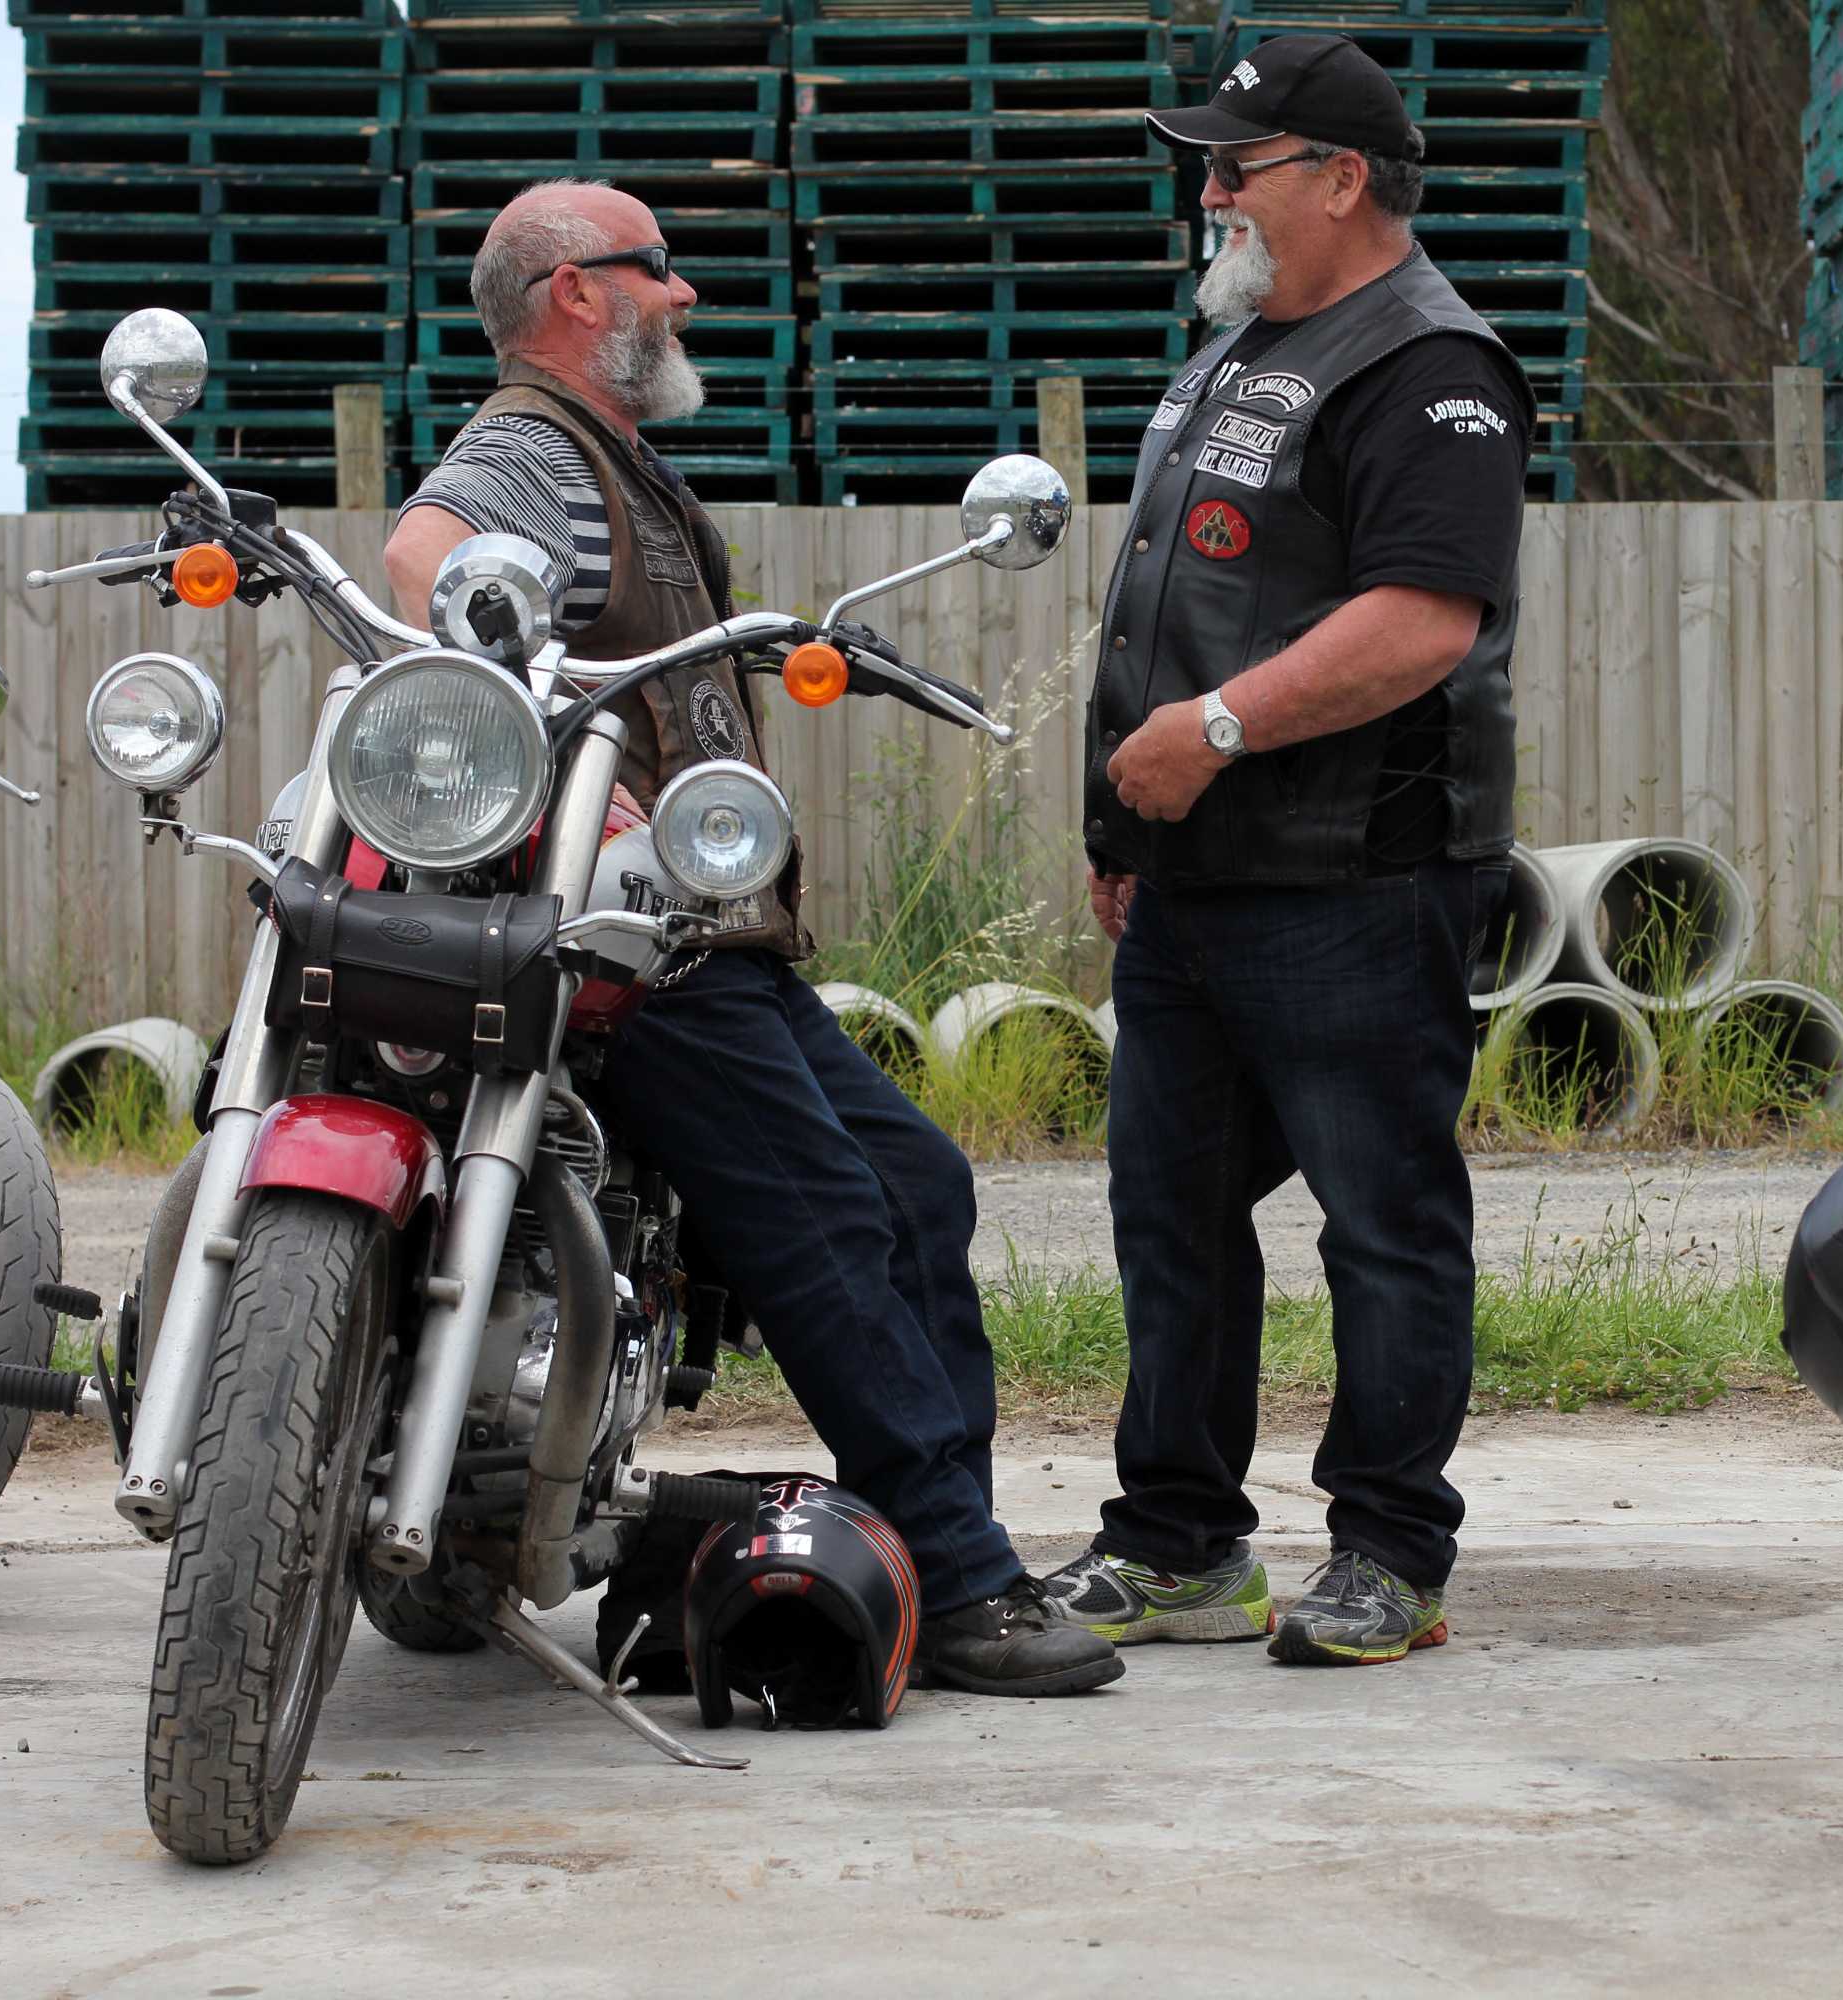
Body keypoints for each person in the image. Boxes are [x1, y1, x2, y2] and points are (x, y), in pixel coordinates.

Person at [383, 179, 1119, 1700]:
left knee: (916, 1183)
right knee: (827, 1218)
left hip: (718, 940)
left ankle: (936, 1543)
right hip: (631, 950)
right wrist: (566, 775)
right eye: (658, 267)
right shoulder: (529, 446)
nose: (686, 294)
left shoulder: (618, 460)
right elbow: (427, 560)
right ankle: (961, 1581)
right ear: (578, 293)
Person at [1035, 39, 1536, 1665]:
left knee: (1383, 1221)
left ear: (1341, 178)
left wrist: (1217, 732)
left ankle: (1391, 1552)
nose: (1209, 191)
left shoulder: (1433, 368)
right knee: (1170, 1215)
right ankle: (1179, 1543)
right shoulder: (1241, 349)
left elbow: (1424, 619)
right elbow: (1181, 606)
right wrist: (1127, 825)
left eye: (1236, 165)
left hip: (1358, 877)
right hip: (1196, 881)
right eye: (1206, 164)